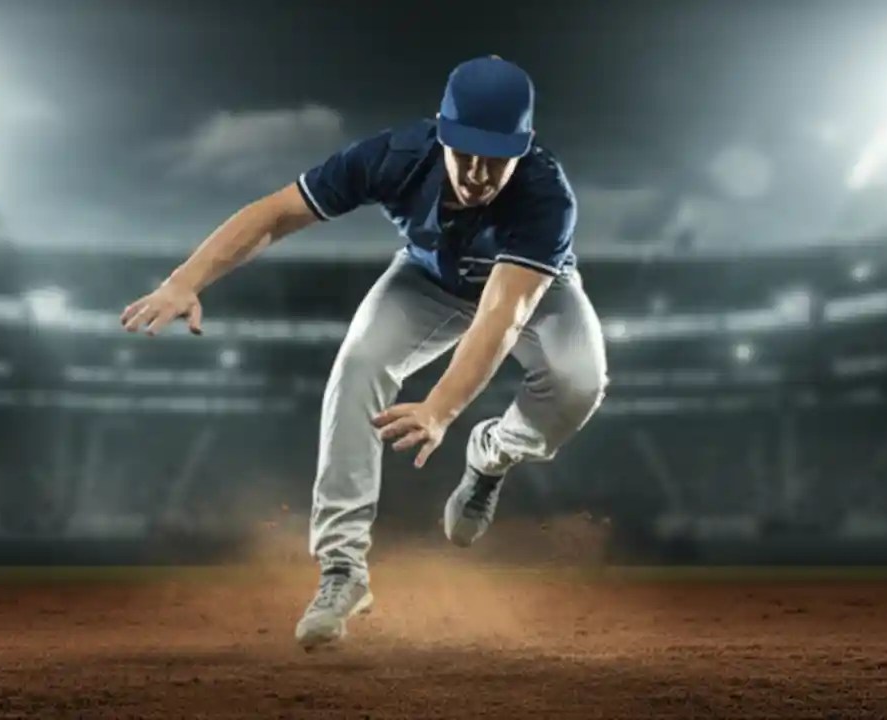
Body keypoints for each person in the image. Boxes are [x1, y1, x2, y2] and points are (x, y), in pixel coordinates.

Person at [121, 56, 607, 650]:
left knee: (579, 382)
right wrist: (184, 281)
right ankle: (342, 569)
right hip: (426, 282)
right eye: (465, 151)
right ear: (440, 132)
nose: (478, 173)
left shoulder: (546, 195)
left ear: (525, 147)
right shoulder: (396, 155)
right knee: (356, 367)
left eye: (497, 157)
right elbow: (275, 215)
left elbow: (502, 316)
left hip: (536, 292)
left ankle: (492, 455)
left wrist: (442, 408)